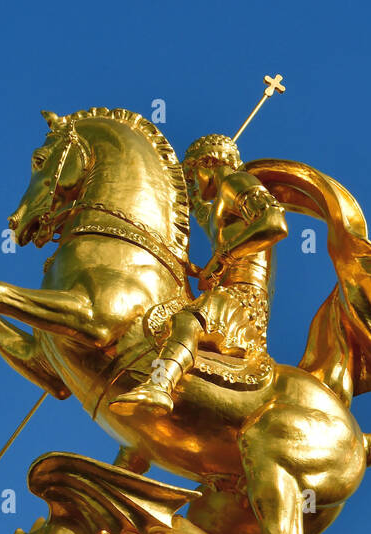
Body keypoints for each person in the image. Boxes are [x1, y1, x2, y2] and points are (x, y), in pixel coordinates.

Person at [111, 134, 288, 417]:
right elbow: (208, 219)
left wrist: (222, 259)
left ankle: (160, 385)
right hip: (226, 291)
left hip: (243, 299)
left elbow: (274, 224)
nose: (194, 182)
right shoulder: (224, 200)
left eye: (195, 174)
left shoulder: (237, 183)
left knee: (185, 320)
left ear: (209, 163)